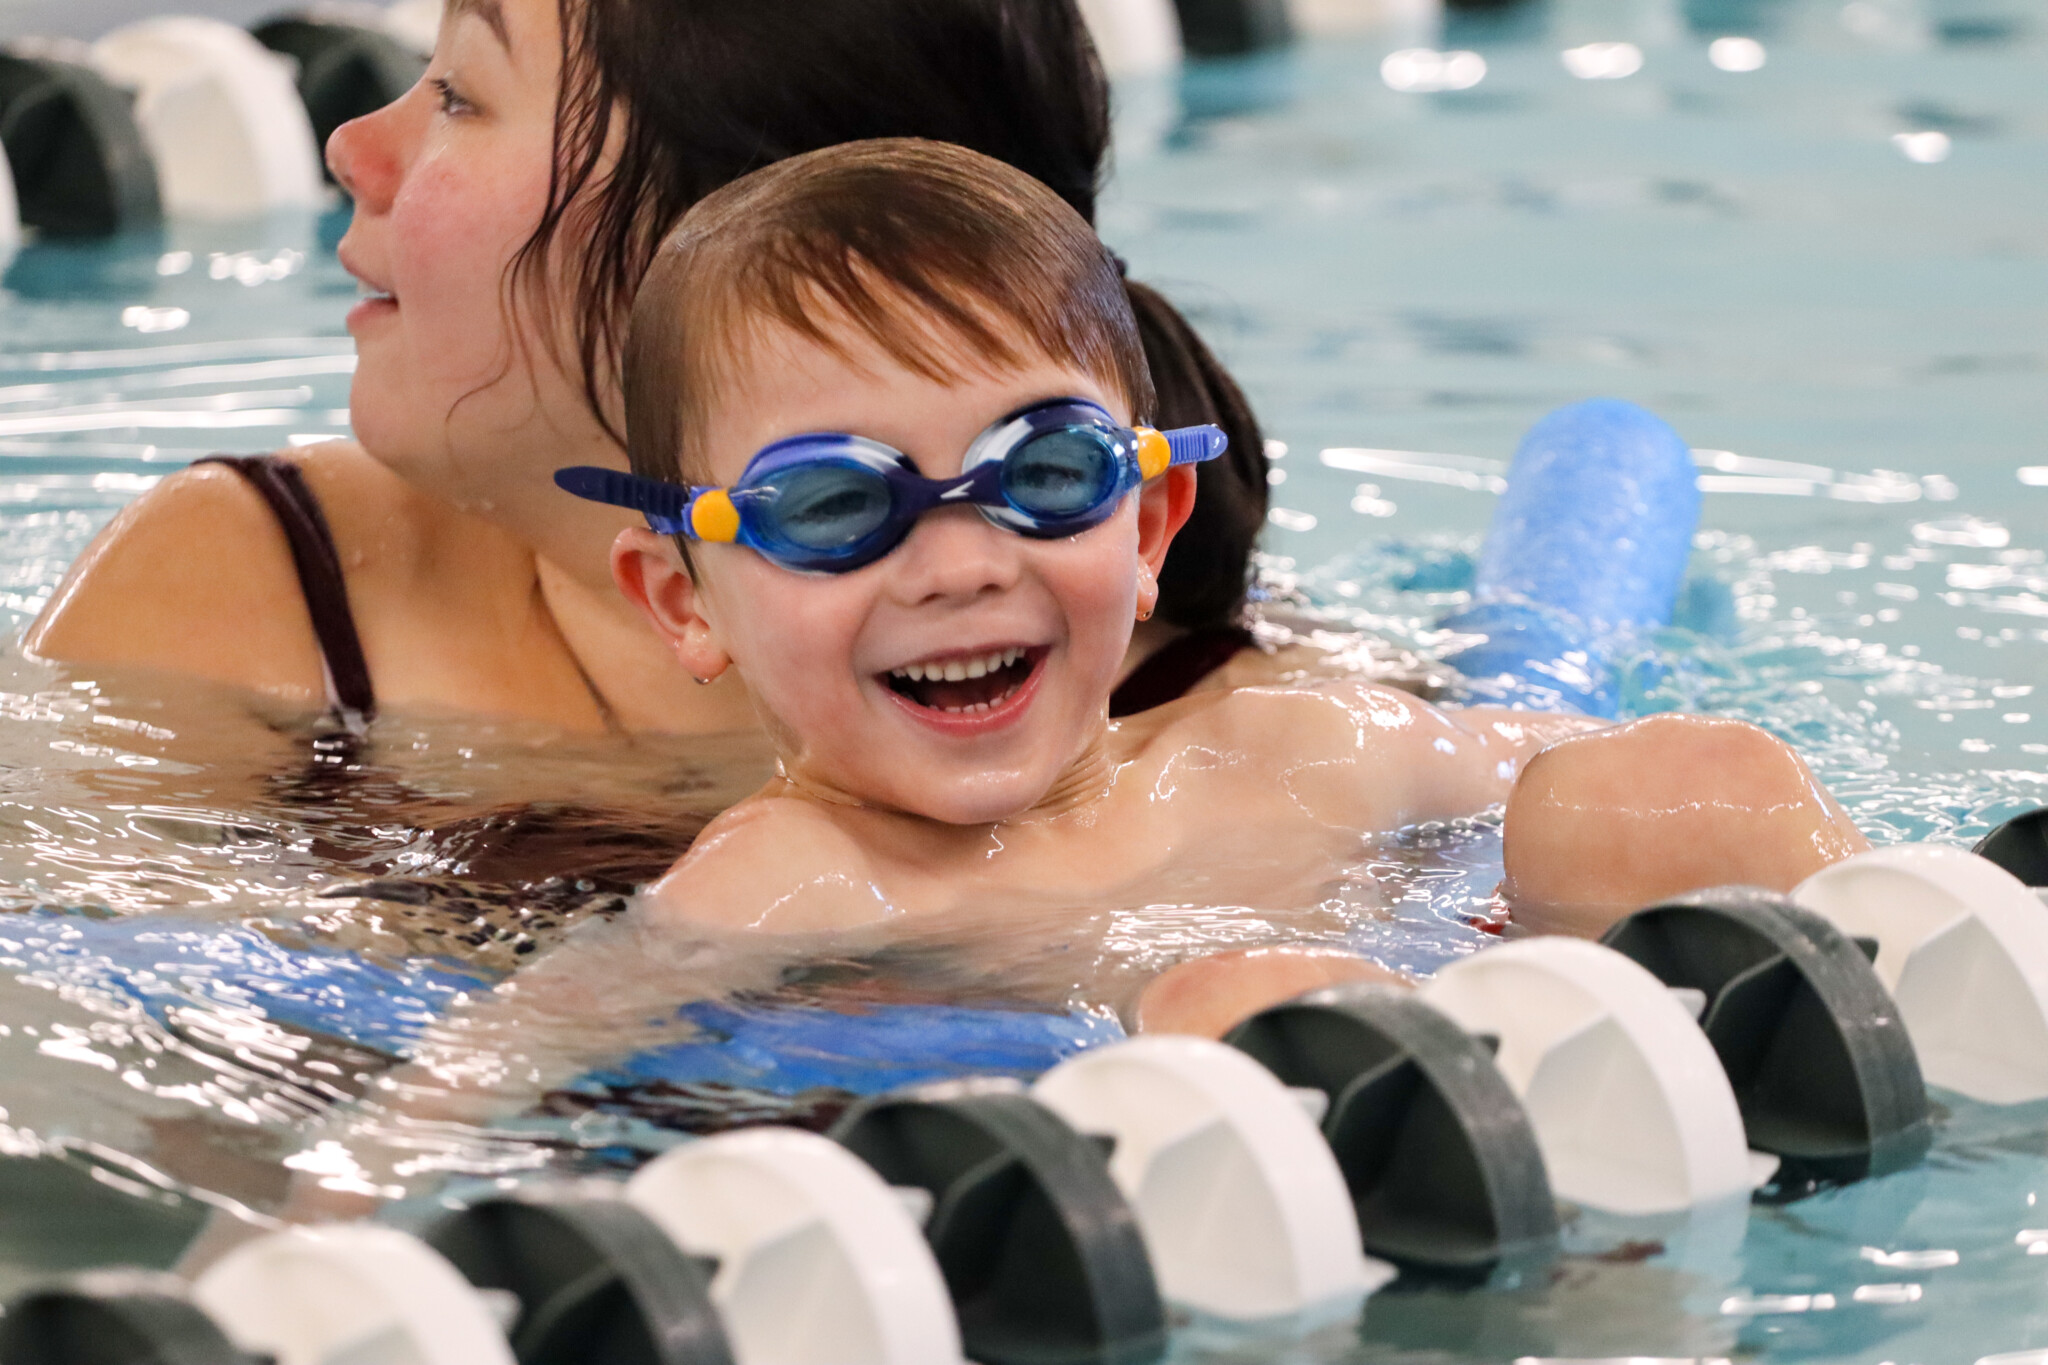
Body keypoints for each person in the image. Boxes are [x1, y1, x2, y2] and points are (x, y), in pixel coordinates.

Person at [578, 138, 1870, 1030]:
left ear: (1148, 530)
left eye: (1047, 475)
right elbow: (487, 1091)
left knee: (1673, 784)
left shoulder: (1291, 755)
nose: (964, 565)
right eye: (835, 506)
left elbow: (1575, 754)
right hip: (1204, 1226)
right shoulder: (780, 890)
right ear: (684, 601)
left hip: (1549, 1084)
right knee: (1242, 1011)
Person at [23, 0, 1276, 735]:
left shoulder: (1224, 748)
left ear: (751, 249)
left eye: (459, 96)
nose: (354, 147)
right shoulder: (248, 603)